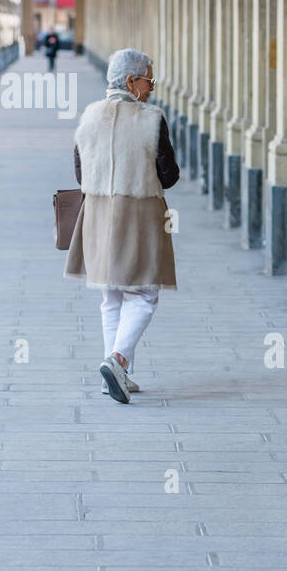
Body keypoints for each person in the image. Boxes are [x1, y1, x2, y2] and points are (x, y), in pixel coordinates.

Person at [63, 48, 180, 403]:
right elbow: (169, 175)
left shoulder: (89, 116)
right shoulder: (151, 119)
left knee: (111, 295)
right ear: (132, 81)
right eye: (149, 80)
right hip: (140, 211)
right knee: (144, 293)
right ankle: (118, 359)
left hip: (97, 211)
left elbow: (79, 172)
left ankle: (113, 375)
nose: (152, 88)